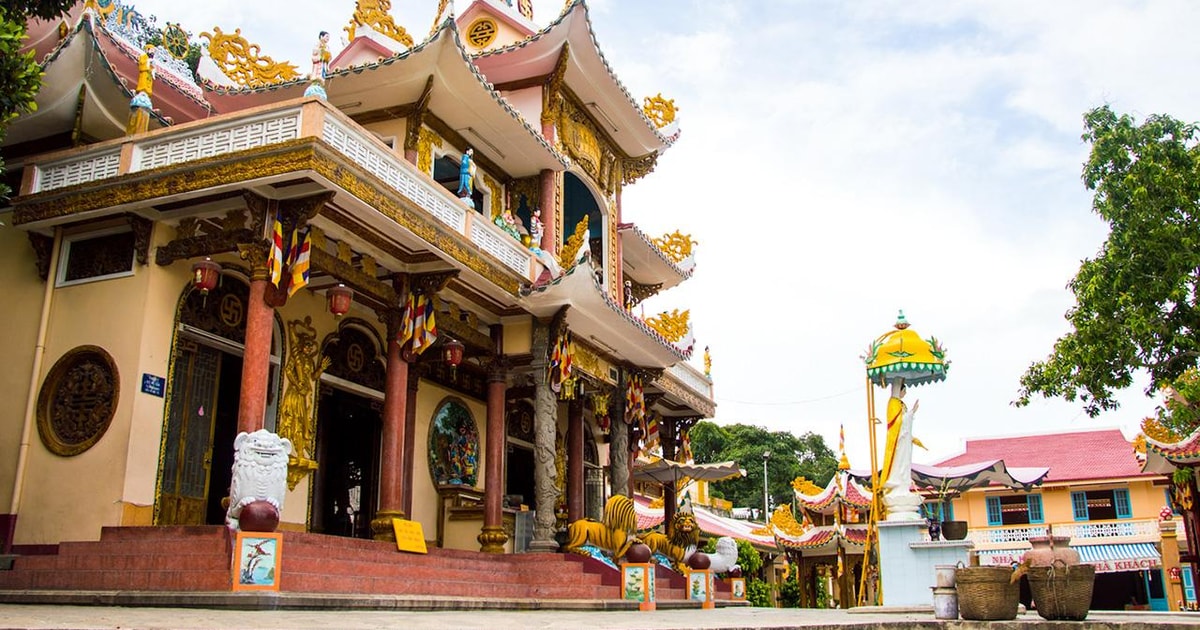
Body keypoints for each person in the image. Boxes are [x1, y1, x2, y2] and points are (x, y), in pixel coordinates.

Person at [880, 379, 919, 490]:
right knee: (898, 460)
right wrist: (912, 412)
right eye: (904, 390)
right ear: (899, 390)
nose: (905, 393)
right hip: (897, 437)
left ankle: (903, 480)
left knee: (904, 460)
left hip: (904, 436)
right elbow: (898, 421)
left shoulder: (900, 403)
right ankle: (896, 480)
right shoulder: (893, 403)